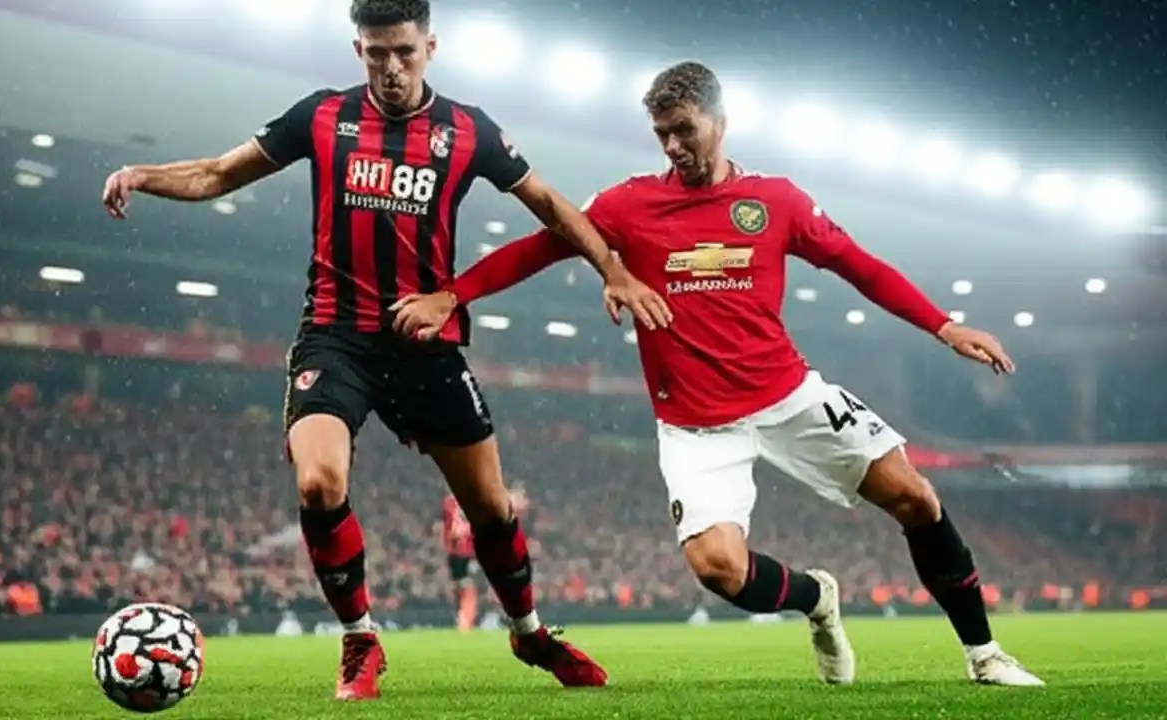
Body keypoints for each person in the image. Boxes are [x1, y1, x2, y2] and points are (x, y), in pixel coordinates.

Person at [391, 60, 1045, 687]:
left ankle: (985, 654)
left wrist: (943, 325)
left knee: (916, 498)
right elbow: (537, 248)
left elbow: (859, 266)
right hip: (696, 426)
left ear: (720, 121)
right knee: (719, 569)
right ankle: (818, 598)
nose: (673, 145)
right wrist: (454, 295)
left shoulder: (775, 200)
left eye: (685, 130)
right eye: (662, 134)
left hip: (789, 395)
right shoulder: (628, 205)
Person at [100, 0, 670, 701]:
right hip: (334, 337)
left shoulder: (467, 130)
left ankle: (528, 632)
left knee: (490, 510)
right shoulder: (322, 117)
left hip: (425, 344)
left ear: (430, 45)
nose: (392, 69)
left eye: (404, 52)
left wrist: (611, 267)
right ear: (357, 50)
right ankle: (361, 640)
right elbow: (219, 173)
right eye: (377, 55)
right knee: (318, 482)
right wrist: (142, 174)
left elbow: (550, 205)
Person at [440, 493, 478, 631]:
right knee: (465, 587)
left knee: (464, 587)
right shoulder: (453, 503)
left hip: (460, 553)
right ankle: (464, 620)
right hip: (462, 553)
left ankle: (464, 619)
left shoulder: (451, 503)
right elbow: (453, 532)